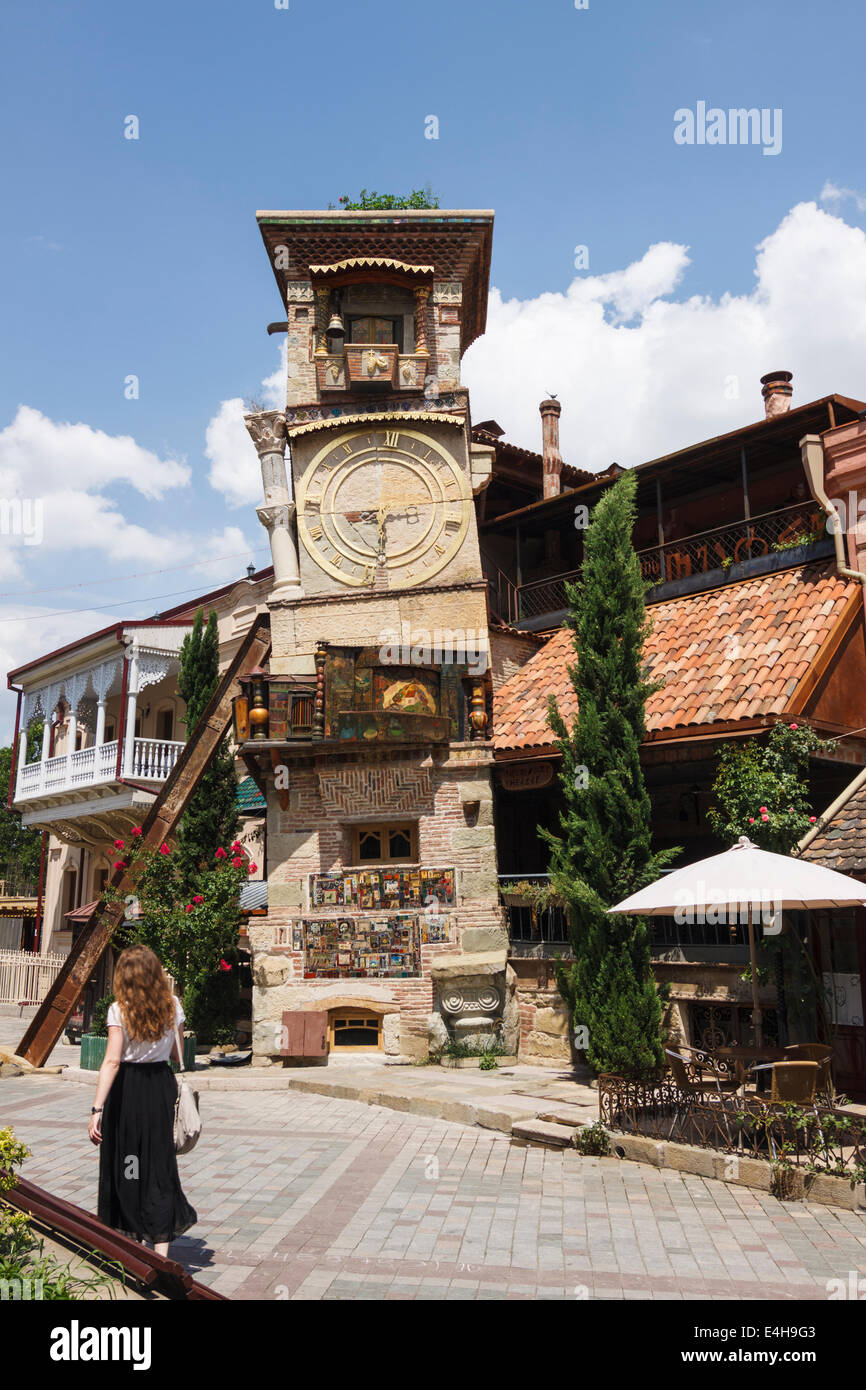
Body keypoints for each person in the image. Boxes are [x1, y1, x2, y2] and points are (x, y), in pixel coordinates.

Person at [88, 945, 197, 1257]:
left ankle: (131, 1239)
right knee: (159, 1166)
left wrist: (97, 1109)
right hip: (161, 1087)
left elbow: (111, 1062)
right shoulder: (172, 1005)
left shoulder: (119, 1010)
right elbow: (178, 1055)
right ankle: (160, 1252)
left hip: (129, 1093)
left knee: (129, 1164)